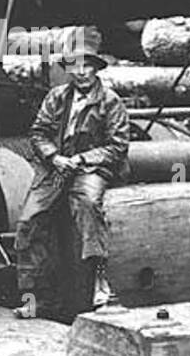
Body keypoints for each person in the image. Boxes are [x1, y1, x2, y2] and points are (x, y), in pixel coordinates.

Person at [14, 36, 129, 319]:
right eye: (75, 66)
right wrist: (54, 157)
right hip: (57, 167)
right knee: (29, 220)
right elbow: (38, 132)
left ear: (95, 68)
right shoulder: (57, 96)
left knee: (88, 206)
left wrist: (82, 159)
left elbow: (118, 146)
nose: (80, 72)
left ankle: (102, 288)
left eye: (86, 66)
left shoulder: (110, 101)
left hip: (90, 169)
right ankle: (38, 298)